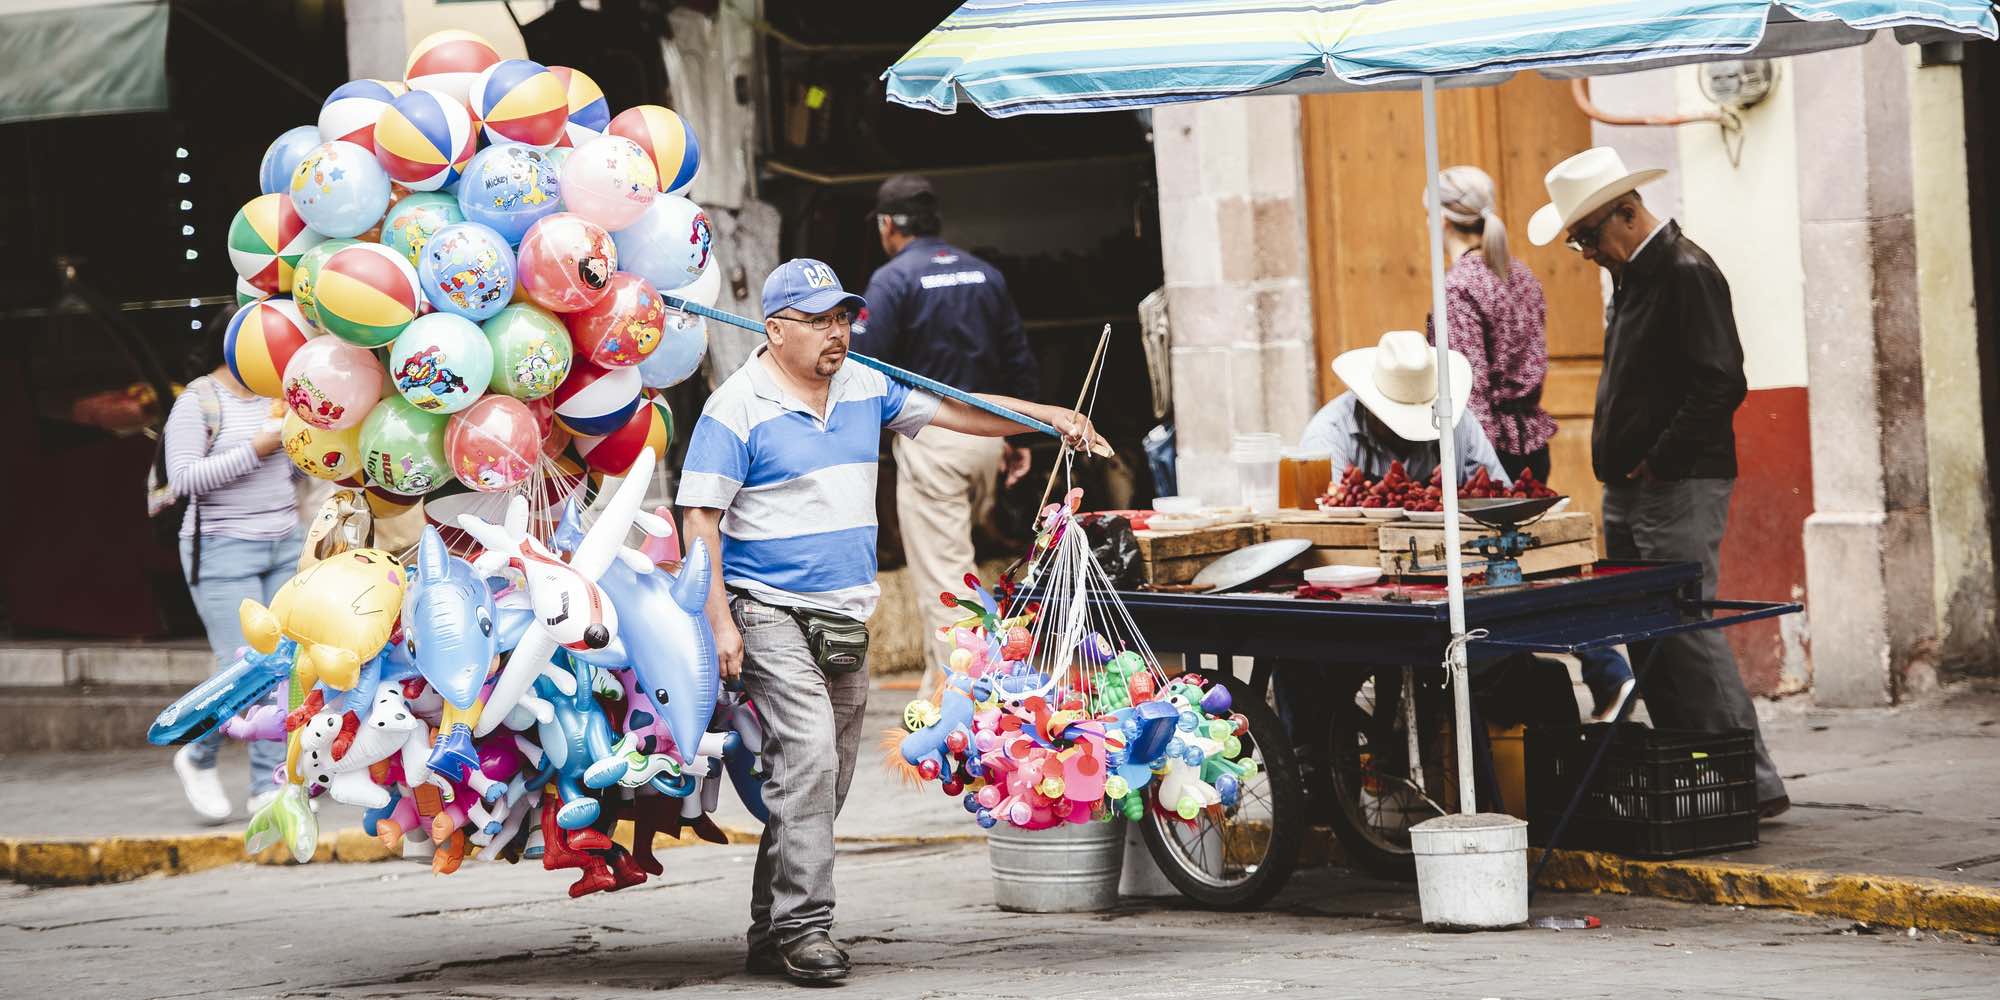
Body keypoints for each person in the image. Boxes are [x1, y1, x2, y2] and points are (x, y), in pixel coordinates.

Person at [677, 258, 1096, 984]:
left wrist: (1044, 416)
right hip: (767, 607)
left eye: (841, 317)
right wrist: (720, 624)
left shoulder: (867, 387)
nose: (835, 334)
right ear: (774, 331)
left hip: (846, 615)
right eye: (816, 321)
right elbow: (700, 522)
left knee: (822, 781)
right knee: (806, 759)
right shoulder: (735, 407)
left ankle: (769, 928)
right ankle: (807, 929)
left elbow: (958, 408)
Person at [1529, 145, 1788, 817]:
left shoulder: (1682, 271)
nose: (1586, 252)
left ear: (1626, 213)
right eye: (1577, 240)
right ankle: (1693, 768)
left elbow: (1721, 382)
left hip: (1675, 486)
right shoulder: (1637, 278)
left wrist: (1660, 460)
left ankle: (1750, 780)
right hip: (1637, 487)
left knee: (1688, 627)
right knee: (1648, 631)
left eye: (1588, 236)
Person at [1433, 165, 1635, 721]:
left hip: (1491, 450)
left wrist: (1473, 467)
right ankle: (1605, 671)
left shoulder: (1457, 288)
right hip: (1532, 440)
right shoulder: (1519, 275)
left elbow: (1467, 388)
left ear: (1440, 219)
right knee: (1544, 566)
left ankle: (1600, 671)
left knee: (1512, 574)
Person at [850, 174, 1040, 693]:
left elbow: (866, 368)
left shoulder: (892, 281)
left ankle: (976, 701)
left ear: (888, 225)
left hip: (934, 439)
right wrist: (1017, 438)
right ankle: (940, 691)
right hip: (988, 442)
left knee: (947, 585)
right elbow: (1019, 359)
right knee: (963, 568)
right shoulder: (985, 274)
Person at [163, 312, 304, 823]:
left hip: (286, 541)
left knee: (283, 668)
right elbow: (182, 480)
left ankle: (267, 785)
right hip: (223, 549)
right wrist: (258, 448)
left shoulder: (281, 396)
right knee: (242, 669)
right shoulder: (199, 401)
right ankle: (196, 755)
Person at [1300, 329, 1510, 486]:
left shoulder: (1456, 420)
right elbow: (1328, 519)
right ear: (1368, 405)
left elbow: (1499, 497)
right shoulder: (1329, 435)